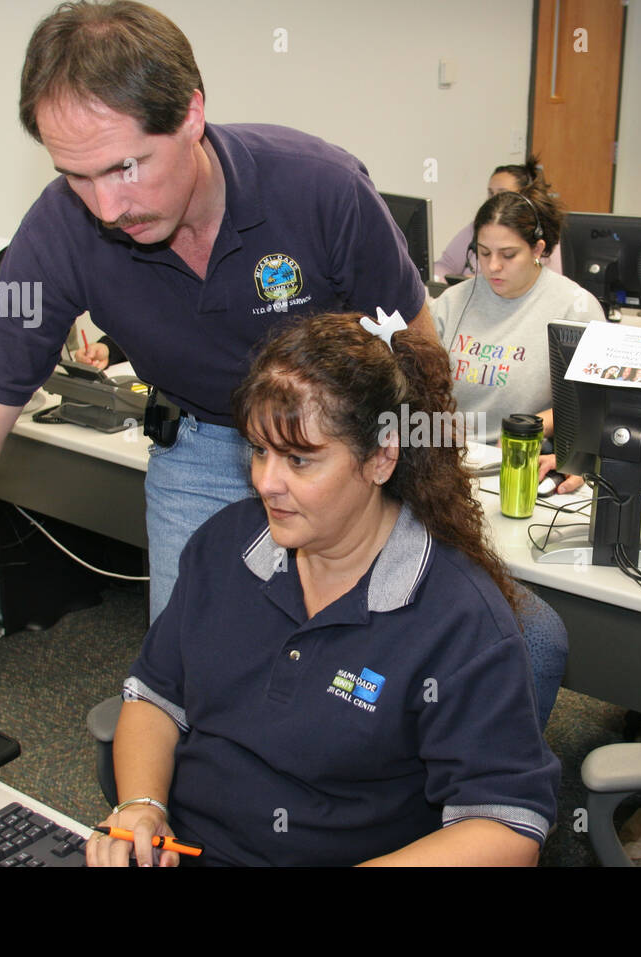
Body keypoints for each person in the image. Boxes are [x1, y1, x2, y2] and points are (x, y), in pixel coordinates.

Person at [0, 0, 436, 746]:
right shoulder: (62, 229)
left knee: (365, 674)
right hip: (203, 442)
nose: (107, 206)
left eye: (125, 166)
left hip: (338, 447)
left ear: (192, 114)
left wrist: (424, 505)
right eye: (77, 175)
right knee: (192, 689)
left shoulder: (319, 188)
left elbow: (419, 361)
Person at [86, 312, 560, 866]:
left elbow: (507, 827)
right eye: (260, 450)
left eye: (299, 459)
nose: (266, 481)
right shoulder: (226, 545)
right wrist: (142, 806)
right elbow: (156, 696)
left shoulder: (457, 617)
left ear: (382, 456)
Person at [431, 182, 604, 492]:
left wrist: (534, 429)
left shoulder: (574, 308)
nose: (493, 266)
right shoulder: (453, 302)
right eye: (484, 253)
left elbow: (594, 403)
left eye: (508, 255)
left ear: (538, 250)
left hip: (521, 462)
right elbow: (416, 383)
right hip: (449, 461)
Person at [433, 156, 564, 281]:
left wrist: (484, 284)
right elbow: (444, 265)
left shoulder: (540, 234)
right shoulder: (480, 227)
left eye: (508, 254)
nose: (494, 199)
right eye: (485, 253)